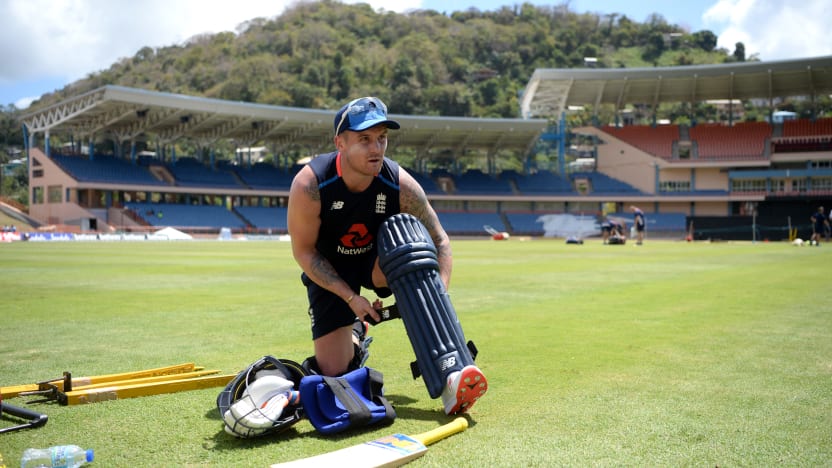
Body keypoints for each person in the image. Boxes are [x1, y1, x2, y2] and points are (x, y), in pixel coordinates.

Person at [287, 96, 487, 414]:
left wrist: (436, 297)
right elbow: (304, 252)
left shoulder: (399, 184)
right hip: (331, 269)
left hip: (379, 262)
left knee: (411, 244)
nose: (376, 148)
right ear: (340, 143)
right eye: (364, 139)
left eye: (381, 138)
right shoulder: (311, 185)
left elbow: (440, 241)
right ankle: (357, 331)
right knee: (335, 374)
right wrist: (351, 298)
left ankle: (452, 374)